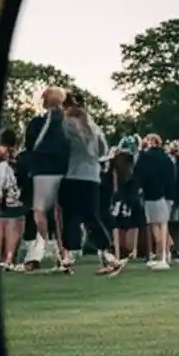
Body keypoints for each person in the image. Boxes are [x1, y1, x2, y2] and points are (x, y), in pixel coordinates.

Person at [57, 94, 124, 275]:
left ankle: (68, 256)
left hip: (73, 174)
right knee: (92, 217)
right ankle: (108, 255)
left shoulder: (66, 124)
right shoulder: (94, 127)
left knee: (71, 216)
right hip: (92, 177)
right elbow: (103, 151)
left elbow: (61, 148)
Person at [22, 86, 69, 268]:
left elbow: (30, 144)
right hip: (65, 169)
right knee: (60, 212)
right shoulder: (68, 122)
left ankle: (46, 244)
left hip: (43, 169)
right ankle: (65, 250)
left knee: (40, 210)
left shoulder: (38, 122)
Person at [134, 133, 176, 269]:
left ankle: (161, 256)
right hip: (165, 195)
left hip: (150, 194)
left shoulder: (145, 156)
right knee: (163, 224)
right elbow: (172, 176)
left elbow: (137, 173)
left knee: (155, 225)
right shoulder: (167, 158)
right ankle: (163, 255)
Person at [109, 136, 145, 262]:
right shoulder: (133, 161)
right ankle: (131, 251)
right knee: (131, 226)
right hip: (131, 197)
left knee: (118, 225)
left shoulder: (117, 161)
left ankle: (120, 252)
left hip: (122, 197)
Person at [0, 145, 25, 269]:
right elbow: (0, 184)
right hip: (8, 201)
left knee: (0, 226)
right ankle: (9, 258)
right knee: (11, 227)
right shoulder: (3, 167)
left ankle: (1, 257)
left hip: (2, 201)